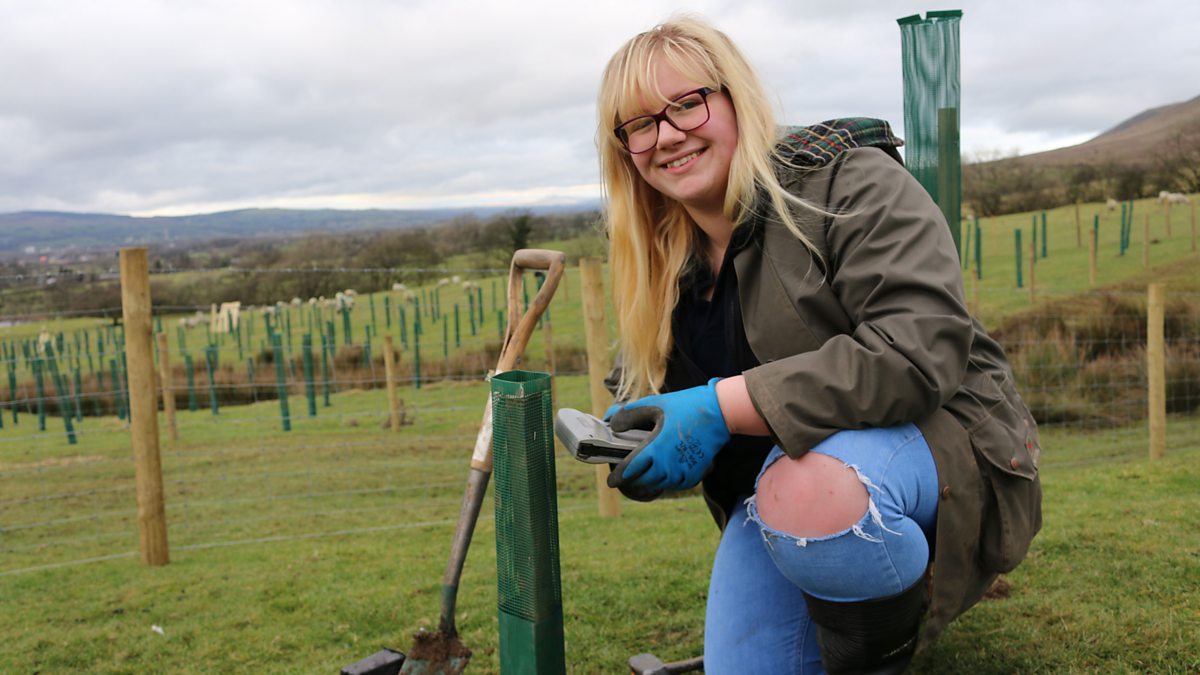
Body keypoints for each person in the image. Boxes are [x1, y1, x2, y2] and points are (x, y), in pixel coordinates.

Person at [596, 15, 1042, 674]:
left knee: (811, 490)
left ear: (735, 98)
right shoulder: (665, 261)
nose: (666, 135)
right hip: (776, 498)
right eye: (639, 124)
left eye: (687, 104)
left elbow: (918, 349)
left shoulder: (847, 181)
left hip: (943, 452)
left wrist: (721, 406)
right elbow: (677, 409)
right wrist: (645, 440)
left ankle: (882, 639)